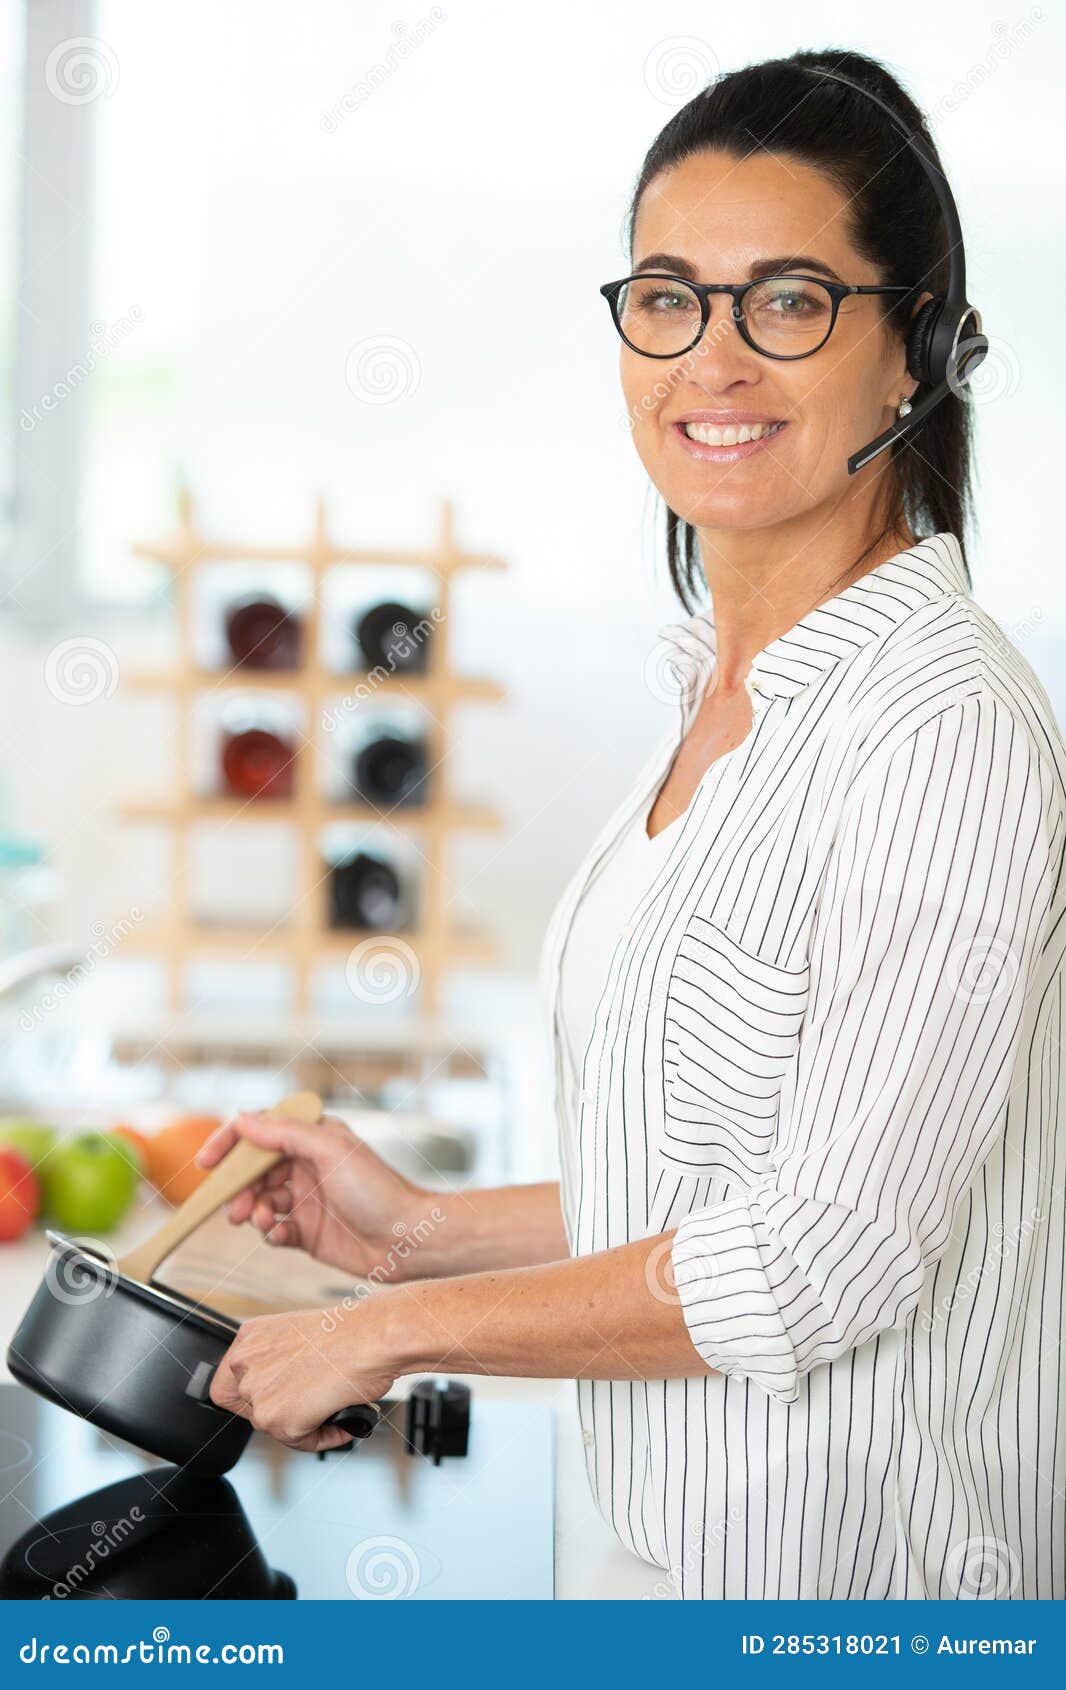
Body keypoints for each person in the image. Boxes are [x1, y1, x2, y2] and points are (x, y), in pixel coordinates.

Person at [200, 48, 1066, 1599]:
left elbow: (821, 1253)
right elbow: (722, 1181)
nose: (710, 361)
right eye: (668, 296)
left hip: (854, 1608)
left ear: (915, 352)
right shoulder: (719, 701)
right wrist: (416, 1237)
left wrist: (381, 1330)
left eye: (788, 301)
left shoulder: (938, 732)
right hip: (652, 1571)